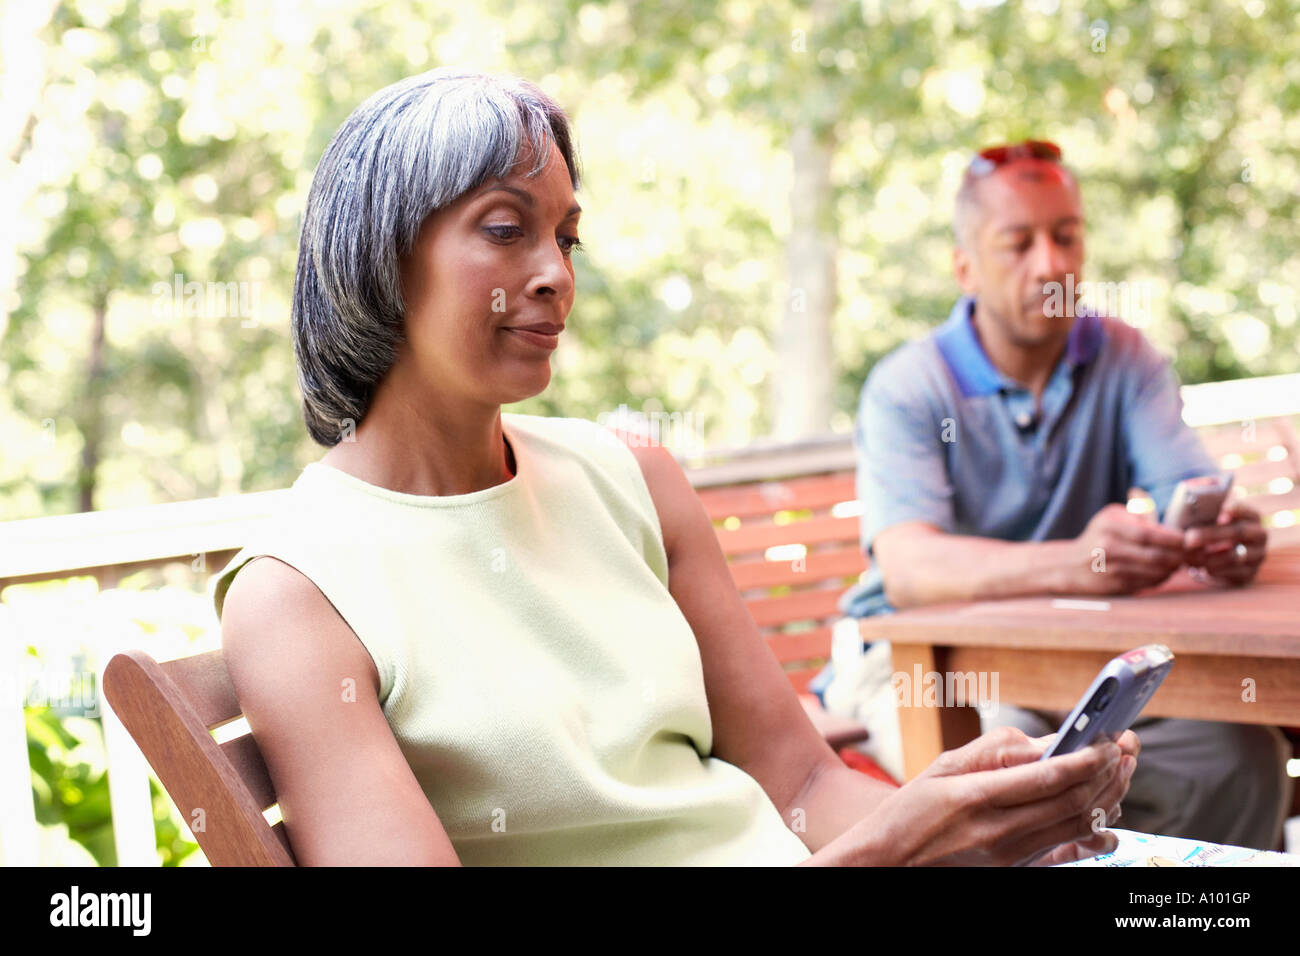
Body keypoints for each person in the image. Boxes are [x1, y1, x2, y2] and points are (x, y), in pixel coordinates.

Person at [212, 74, 1135, 866]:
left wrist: (966, 822)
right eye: (505, 230)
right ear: (379, 256)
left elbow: (805, 782)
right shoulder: (299, 595)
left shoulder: (632, 480)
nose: (554, 274)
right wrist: (901, 848)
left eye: (567, 238)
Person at [829, 140, 1292, 850]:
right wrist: (1079, 562)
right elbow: (911, 572)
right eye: (1018, 243)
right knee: (1018, 770)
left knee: (1237, 760)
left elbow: (1187, 488)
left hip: (1076, 657)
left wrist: (1221, 534)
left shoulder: (1124, 356)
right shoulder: (909, 386)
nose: (1051, 264)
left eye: (1066, 236)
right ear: (965, 268)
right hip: (916, 664)